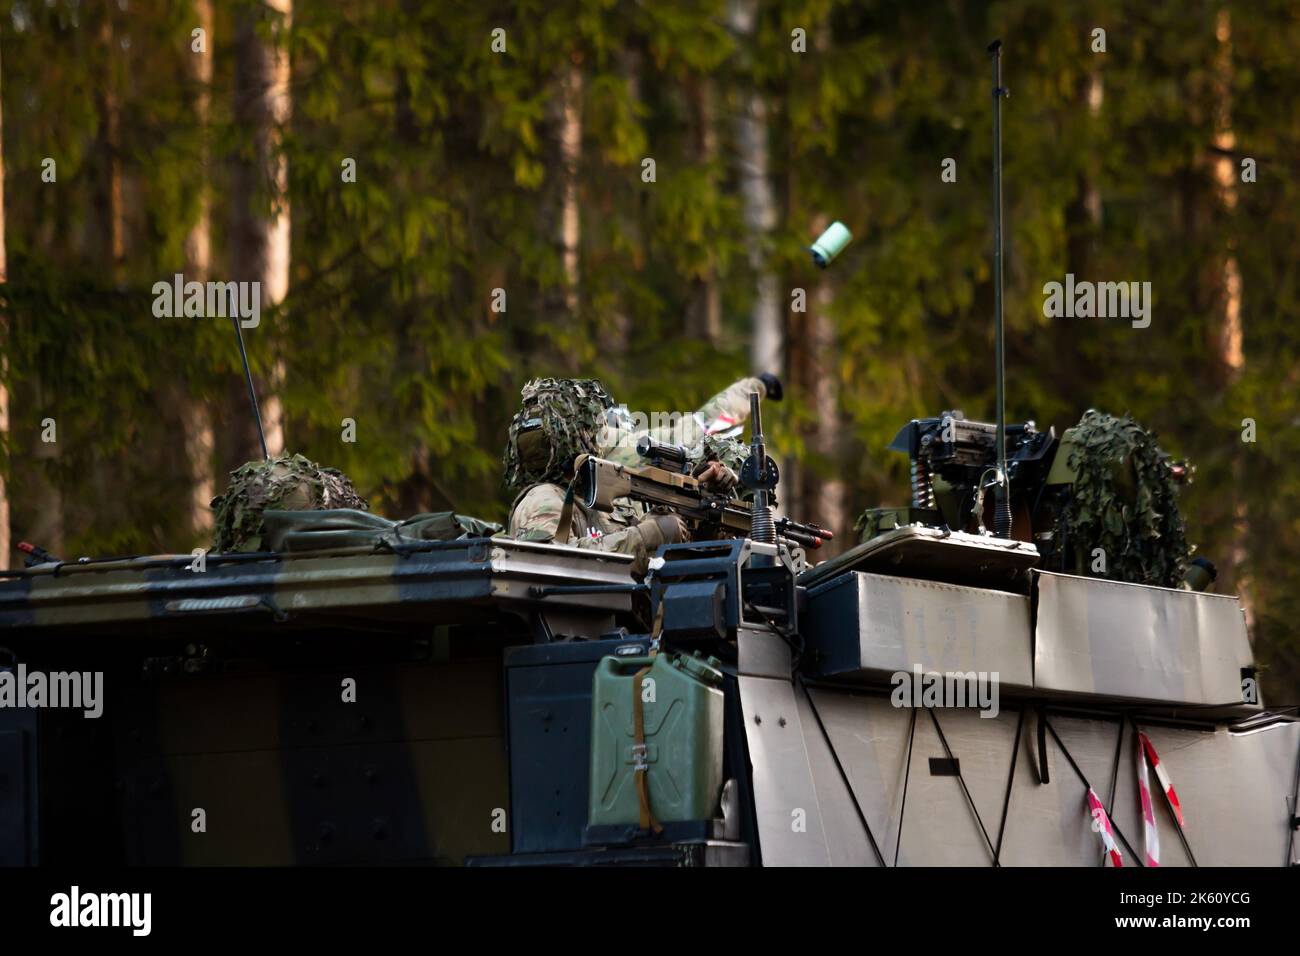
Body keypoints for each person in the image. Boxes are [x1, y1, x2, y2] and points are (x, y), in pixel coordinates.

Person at [502, 375, 781, 565]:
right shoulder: (545, 500)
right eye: (595, 428)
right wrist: (648, 535)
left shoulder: (604, 493)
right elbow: (549, 566)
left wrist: (695, 512)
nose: (602, 435)